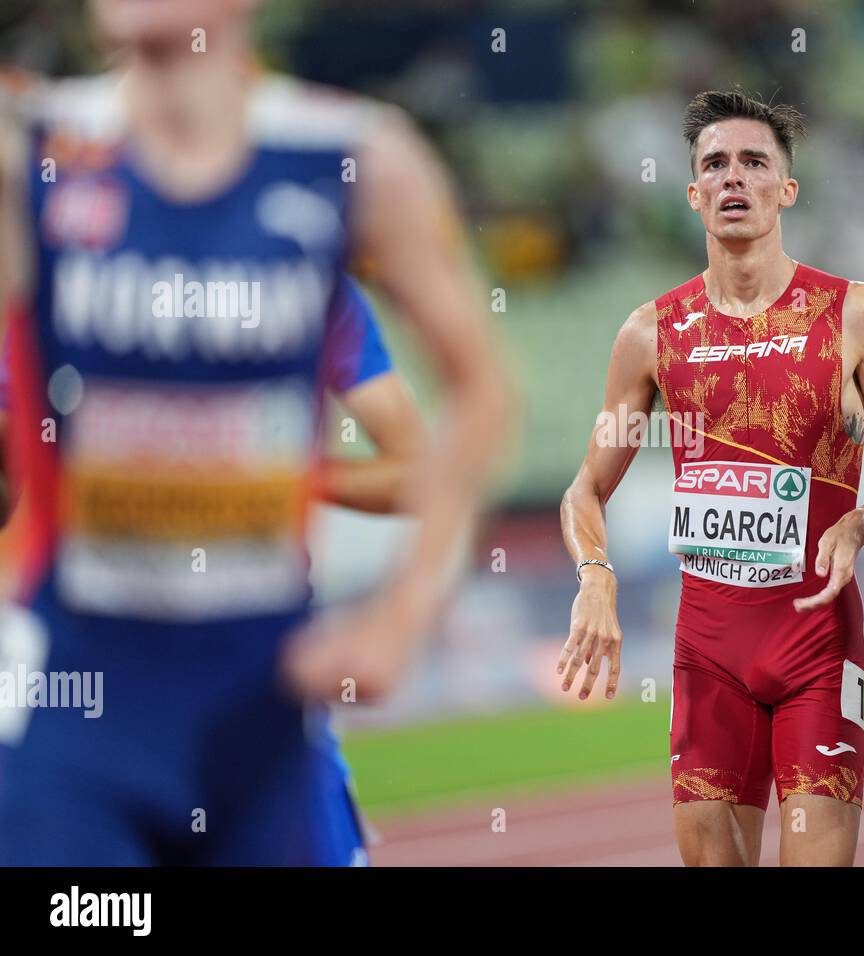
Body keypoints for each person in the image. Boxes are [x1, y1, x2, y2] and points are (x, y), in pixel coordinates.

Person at [0, 0, 507, 864]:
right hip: (72, 699)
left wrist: (400, 617)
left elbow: (483, 389)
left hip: (262, 704)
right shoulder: (32, 154)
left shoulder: (353, 158)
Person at [558, 90, 864, 866]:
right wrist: (595, 575)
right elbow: (584, 490)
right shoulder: (650, 332)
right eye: (714, 165)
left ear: (786, 189)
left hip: (817, 643)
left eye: (754, 162)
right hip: (708, 652)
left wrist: (860, 522)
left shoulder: (853, 313)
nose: (734, 178)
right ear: (694, 193)